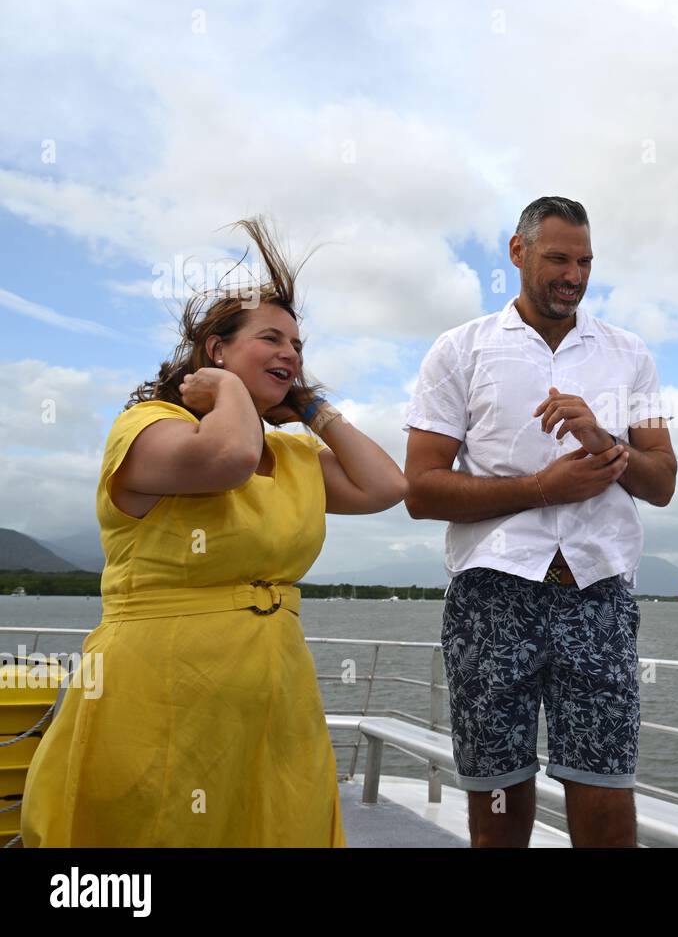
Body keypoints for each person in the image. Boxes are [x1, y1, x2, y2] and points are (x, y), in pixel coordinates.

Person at [21, 218, 409, 847]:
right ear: (216, 349)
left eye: (298, 345)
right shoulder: (148, 426)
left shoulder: (292, 456)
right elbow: (226, 460)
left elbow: (386, 487)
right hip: (157, 690)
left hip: (272, 696)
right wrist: (228, 390)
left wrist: (314, 409)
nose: (291, 353)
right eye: (271, 339)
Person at [403, 196, 676, 847]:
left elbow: (661, 481)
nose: (574, 276)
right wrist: (538, 489)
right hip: (492, 596)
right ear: (517, 251)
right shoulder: (459, 350)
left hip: (599, 596)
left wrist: (605, 439)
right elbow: (420, 488)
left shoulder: (628, 353)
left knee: (606, 787)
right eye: (558, 258)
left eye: (585, 261)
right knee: (498, 795)